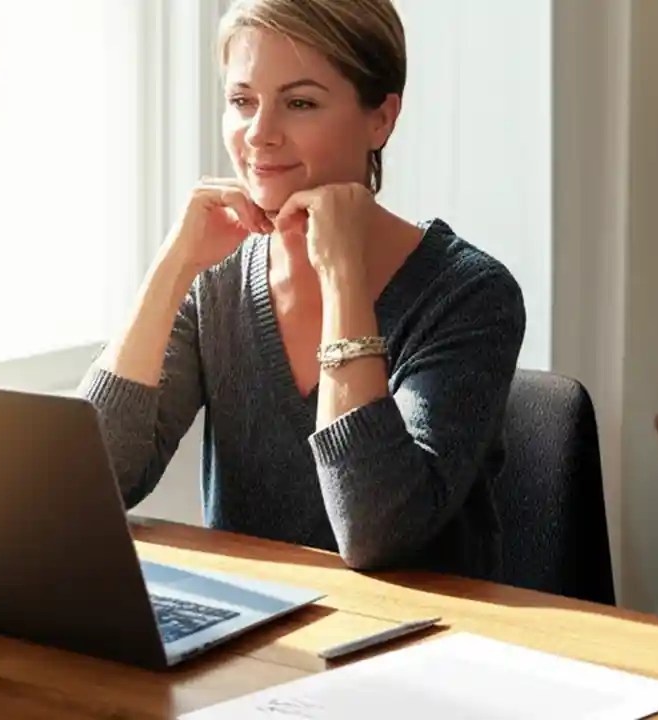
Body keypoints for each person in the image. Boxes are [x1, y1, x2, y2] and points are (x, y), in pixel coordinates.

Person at [77, 0, 525, 582]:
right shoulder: (218, 282)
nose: (259, 134)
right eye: (242, 101)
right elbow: (94, 483)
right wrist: (172, 268)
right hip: (258, 645)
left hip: (420, 651)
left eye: (300, 103)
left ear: (381, 119)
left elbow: (374, 534)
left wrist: (343, 279)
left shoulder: (470, 295)